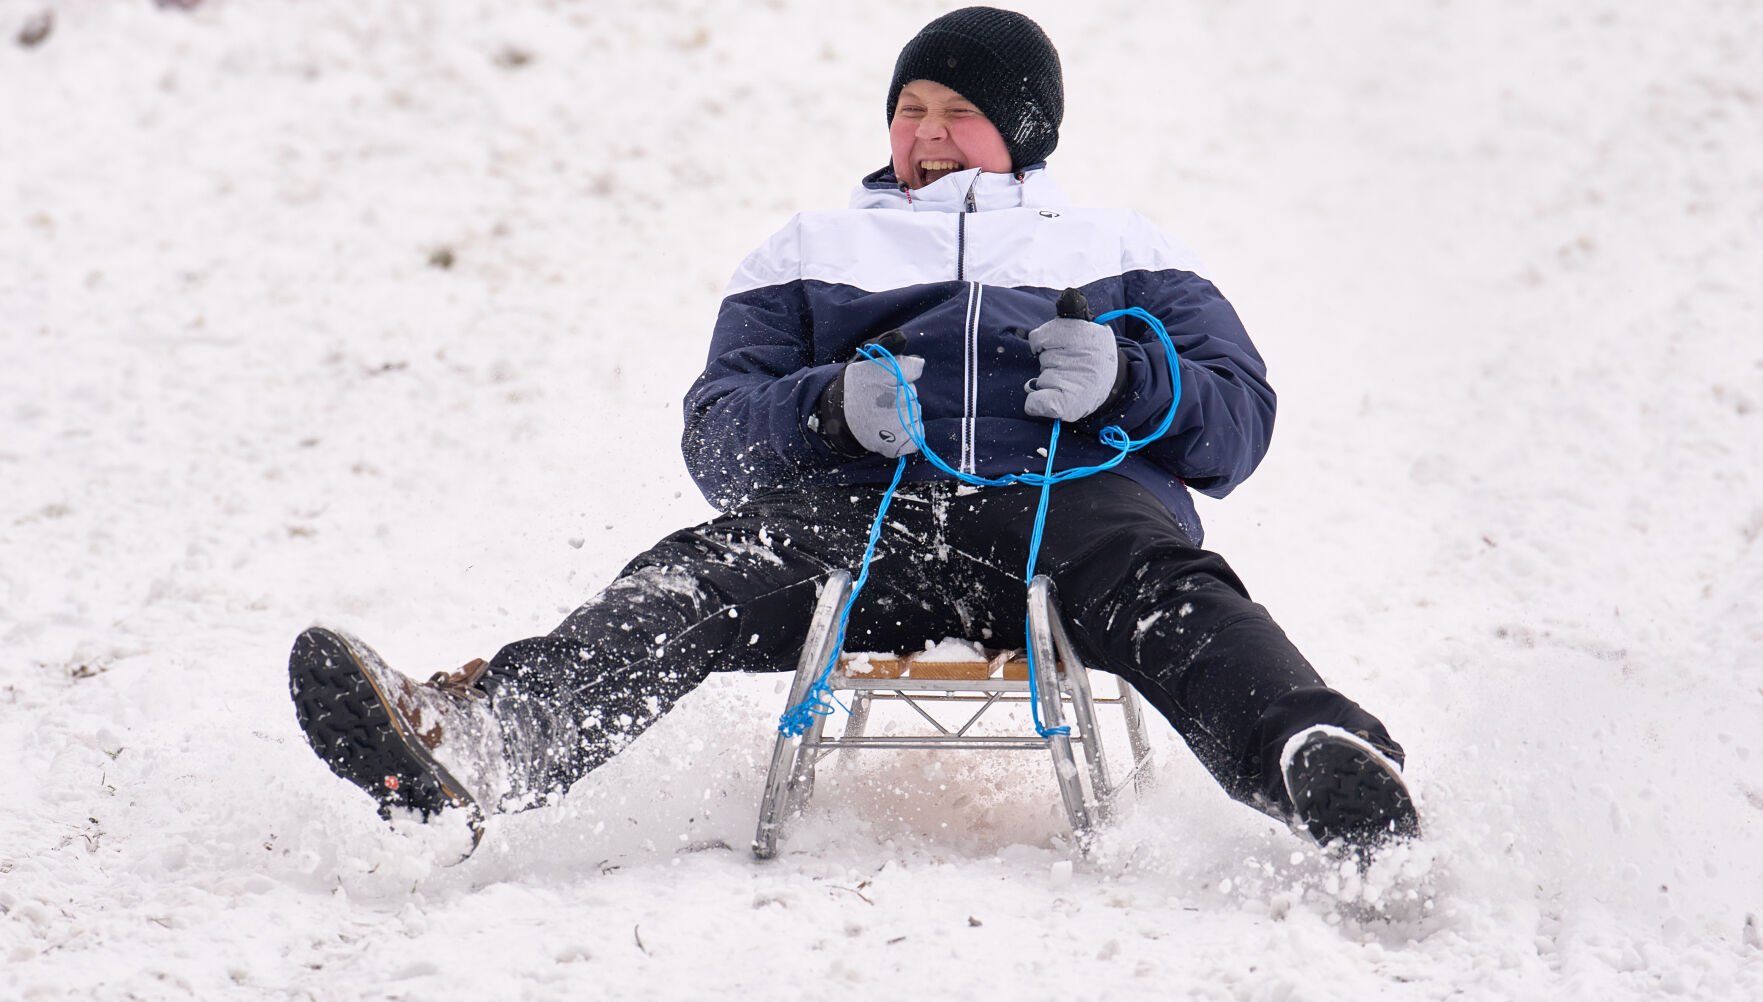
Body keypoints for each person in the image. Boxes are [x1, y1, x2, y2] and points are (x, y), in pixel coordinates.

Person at [288, 7, 1419, 856]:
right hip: (862, 521)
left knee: (1180, 598)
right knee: (689, 577)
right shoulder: (809, 247)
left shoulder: (1121, 245)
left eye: (957, 112)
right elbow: (717, 434)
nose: (926, 132)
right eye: (909, 108)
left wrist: (1132, 380)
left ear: (1020, 129)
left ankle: (1320, 764)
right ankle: (493, 738)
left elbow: (1238, 424)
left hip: (1071, 516)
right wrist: (826, 408)